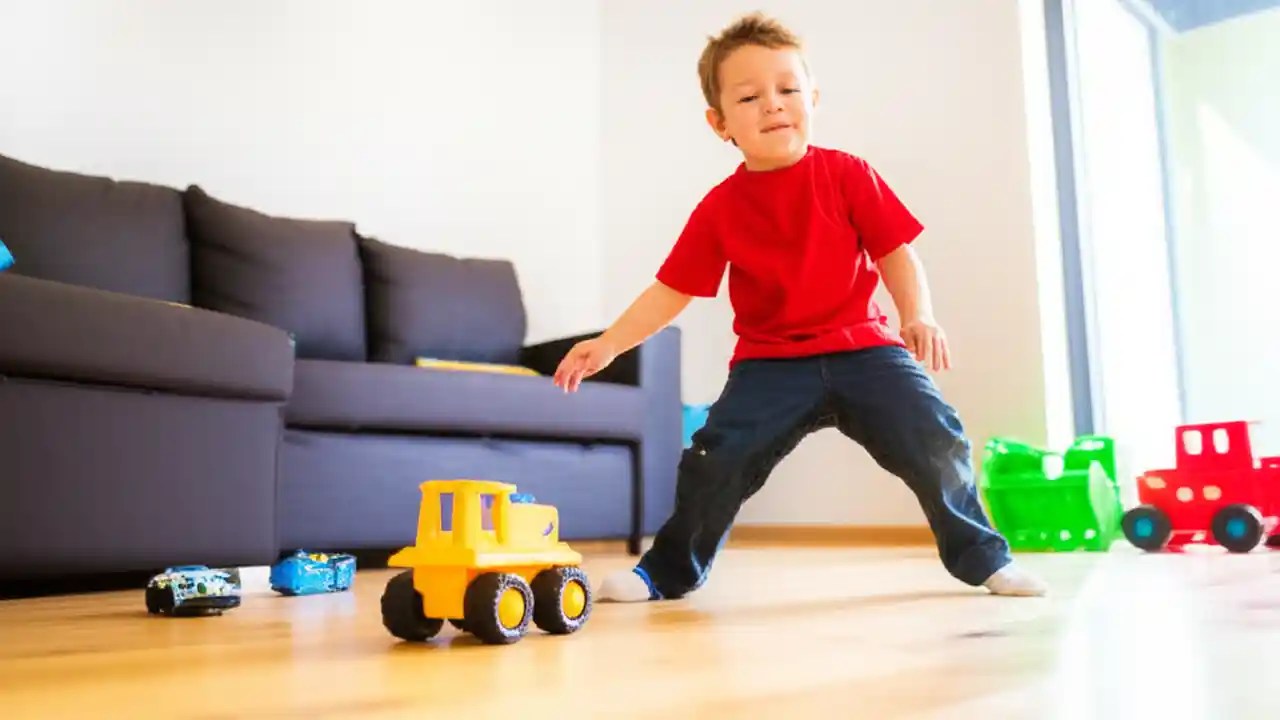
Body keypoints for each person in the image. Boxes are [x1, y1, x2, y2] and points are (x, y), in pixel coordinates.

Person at [553, 12, 1047, 601]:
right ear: (719, 123)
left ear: (812, 98)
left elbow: (896, 252)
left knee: (937, 437)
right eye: (750, 96)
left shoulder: (848, 175)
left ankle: (985, 558)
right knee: (715, 460)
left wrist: (918, 314)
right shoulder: (720, 208)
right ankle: (664, 572)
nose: (773, 105)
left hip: (864, 349)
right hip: (769, 364)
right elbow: (671, 289)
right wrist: (609, 342)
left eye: (787, 90)